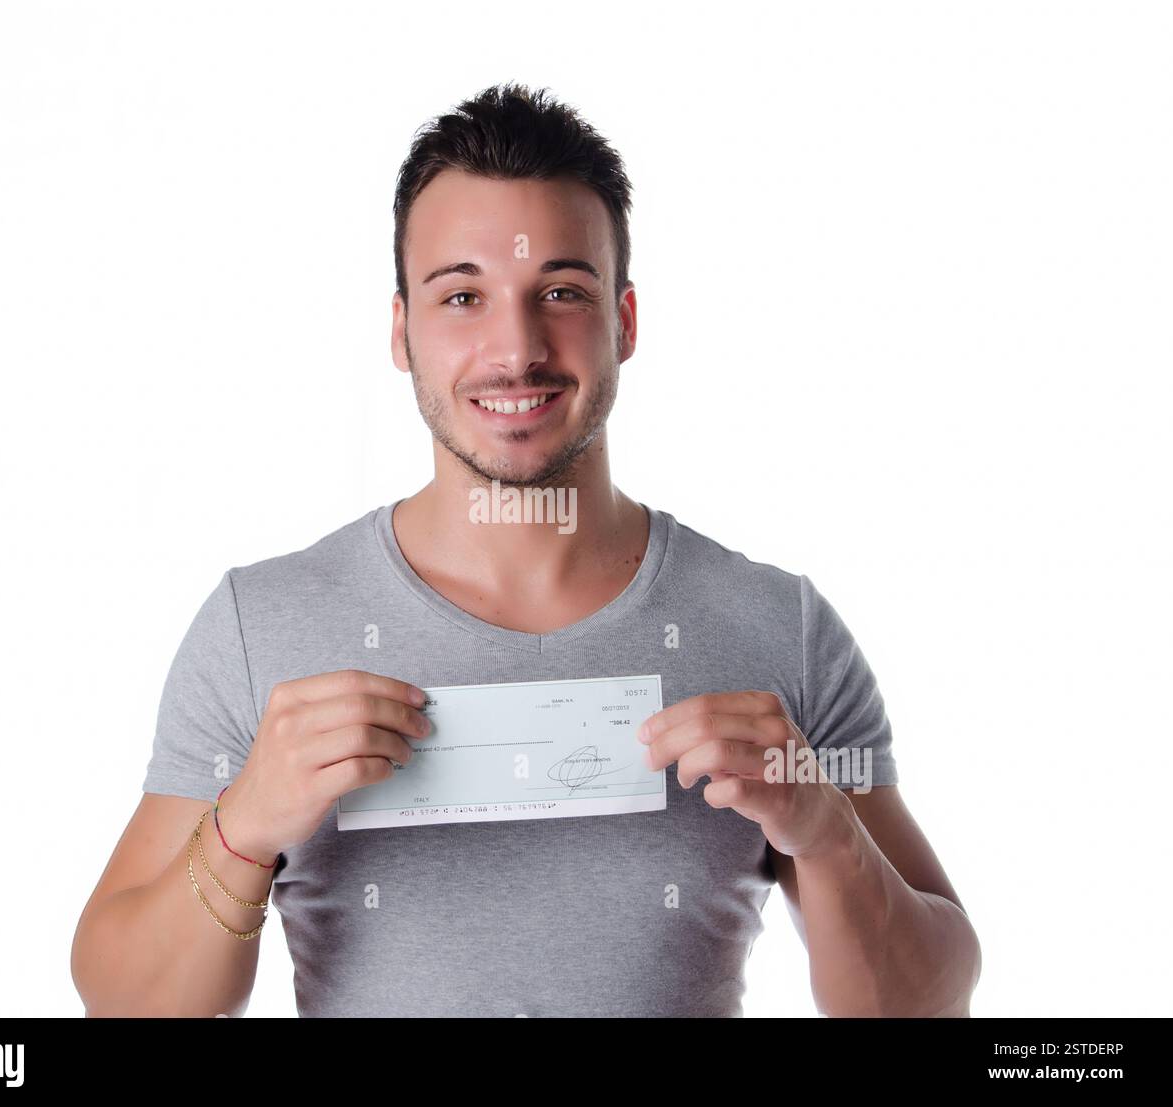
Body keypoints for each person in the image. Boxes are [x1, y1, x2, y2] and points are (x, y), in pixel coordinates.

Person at [71, 81, 980, 1018]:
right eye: (463, 295)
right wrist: (244, 827)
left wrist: (825, 829)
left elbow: (927, 1006)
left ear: (624, 321)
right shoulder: (259, 630)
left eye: (561, 292)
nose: (516, 348)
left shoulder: (780, 631)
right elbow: (122, 1002)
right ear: (402, 332)